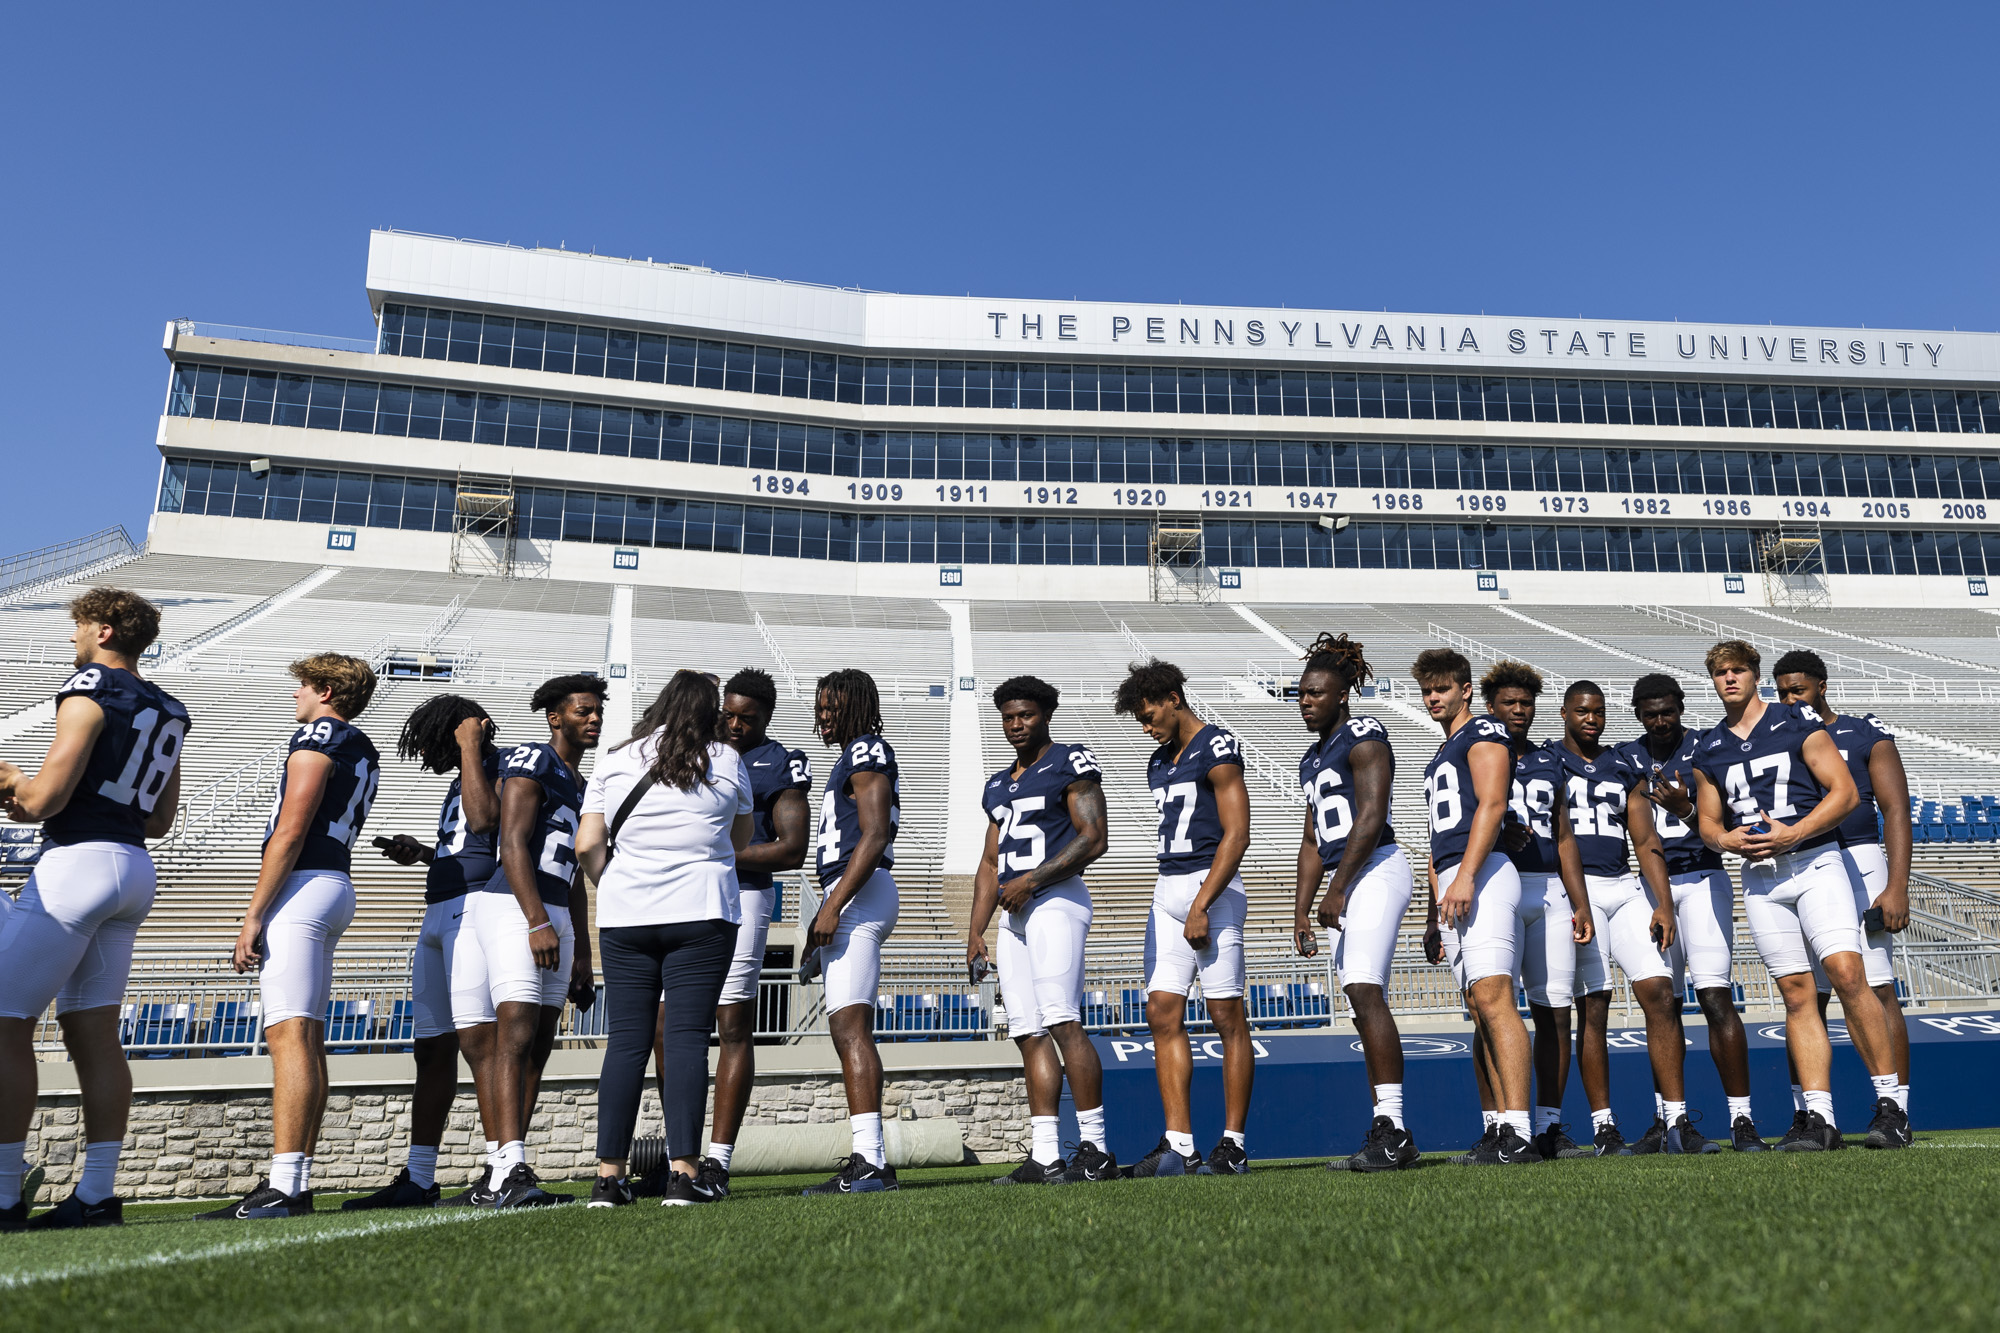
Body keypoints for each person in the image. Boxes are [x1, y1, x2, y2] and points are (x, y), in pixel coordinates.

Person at [0, 589, 187, 1231]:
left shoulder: (89, 686)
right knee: (93, 1033)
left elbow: (44, 799)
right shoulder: (169, 706)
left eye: (79, 625)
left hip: (78, 863)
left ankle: (1, 1194)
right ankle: (99, 1191)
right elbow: (161, 818)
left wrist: (10, 784)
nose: (72, 636)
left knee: (4, 1020)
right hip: (134, 866)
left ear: (104, 629)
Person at [1688, 639, 1909, 1152]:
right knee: (1795, 994)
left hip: (1815, 862)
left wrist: (1796, 831)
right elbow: (1707, 821)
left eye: (1738, 670)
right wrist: (1725, 841)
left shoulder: (1797, 723)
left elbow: (1846, 793)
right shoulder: (1710, 747)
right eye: (1720, 672)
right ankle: (1819, 1117)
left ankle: (1890, 1105)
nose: (1729, 679)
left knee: (1850, 975)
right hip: (1762, 877)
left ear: (1754, 673)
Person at [201, 654, 380, 1220]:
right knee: (305, 1035)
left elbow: (291, 827)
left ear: (325, 690)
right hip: (332, 881)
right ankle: (294, 1178)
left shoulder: (320, 732)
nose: (296, 696)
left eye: (303, 686)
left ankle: (284, 1184)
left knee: (288, 1034)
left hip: (303, 885)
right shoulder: (356, 741)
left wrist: (253, 913)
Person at [576, 670, 750, 1208]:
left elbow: (587, 844)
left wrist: (619, 884)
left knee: (625, 1043)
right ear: (710, 713)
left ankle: (608, 1178)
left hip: (627, 914)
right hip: (702, 910)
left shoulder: (616, 758)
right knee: (687, 1039)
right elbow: (739, 838)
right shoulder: (725, 759)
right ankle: (683, 1174)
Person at [643, 667, 811, 1200]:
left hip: (744, 893)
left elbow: (791, 847)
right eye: (729, 714)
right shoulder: (696, 750)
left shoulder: (776, 762)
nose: (735, 725)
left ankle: (717, 1160)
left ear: (767, 717)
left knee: (732, 1021)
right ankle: (680, 1155)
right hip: (683, 898)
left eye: (748, 717)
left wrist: (716, 856)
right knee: (667, 1024)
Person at [449, 674, 603, 1209]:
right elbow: (510, 841)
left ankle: (502, 1169)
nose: (594, 718)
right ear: (555, 717)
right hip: (514, 908)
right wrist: (537, 919)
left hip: (555, 908)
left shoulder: (582, 783)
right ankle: (508, 1166)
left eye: (597, 711)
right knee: (499, 1038)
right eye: (583, 710)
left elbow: (579, 872)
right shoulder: (532, 759)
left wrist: (583, 947)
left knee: (535, 1045)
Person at [344, 694, 500, 1210]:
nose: (428, 754)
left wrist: (471, 748)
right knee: (432, 1048)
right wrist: (424, 853)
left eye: (437, 740)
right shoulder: (461, 778)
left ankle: (502, 1168)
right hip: (440, 909)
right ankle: (420, 1176)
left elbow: (485, 824)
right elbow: (465, 843)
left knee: (479, 1043)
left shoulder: (496, 766)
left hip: (476, 909)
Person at [968, 675, 1116, 1185]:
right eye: (1009, 717)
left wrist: (1031, 880)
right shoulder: (996, 784)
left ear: (1045, 714)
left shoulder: (1069, 761)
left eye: (1025, 715)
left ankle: (1096, 1149)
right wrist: (975, 933)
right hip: (1014, 914)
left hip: (1055, 900)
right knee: (1026, 1032)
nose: (1016, 725)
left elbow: (1094, 837)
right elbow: (989, 864)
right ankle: (1047, 1153)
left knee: (1061, 1019)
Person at [1547, 681, 1700, 1155]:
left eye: (1598, 712)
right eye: (1581, 711)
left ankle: (1676, 1122)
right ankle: (1603, 1127)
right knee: (1594, 1006)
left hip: (1623, 884)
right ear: (1565, 713)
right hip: (1578, 889)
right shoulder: (1548, 760)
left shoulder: (1621, 764)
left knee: (1660, 991)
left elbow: (1645, 837)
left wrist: (1664, 901)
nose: (1591, 719)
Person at [1115, 658, 1254, 1178]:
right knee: (1162, 1013)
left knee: (1226, 1018)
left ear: (1174, 697)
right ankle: (1179, 1144)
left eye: (1150, 714)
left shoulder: (1216, 745)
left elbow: (1237, 834)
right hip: (1167, 886)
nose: (1146, 726)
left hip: (1210, 886)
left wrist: (1201, 903)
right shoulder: (1159, 760)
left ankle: (1233, 1143)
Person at [1617, 674, 1765, 1152]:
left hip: (1702, 876)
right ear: (1638, 713)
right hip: (1647, 886)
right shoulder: (1628, 755)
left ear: (1681, 707)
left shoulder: (1706, 746)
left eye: (1667, 711)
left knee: (1715, 997)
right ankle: (1671, 1121)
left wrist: (1684, 811)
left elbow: (1724, 821)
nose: (1660, 721)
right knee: (1660, 1003)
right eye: (1650, 713)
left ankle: (1742, 1120)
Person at [1291, 634, 1420, 1172]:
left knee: (1366, 989)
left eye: (1317, 693)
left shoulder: (1363, 733)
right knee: (1357, 999)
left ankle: (1394, 1128)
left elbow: (1370, 814)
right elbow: (1311, 840)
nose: (1306, 701)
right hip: (1347, 874)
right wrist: (1302, 907)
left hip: (1377, 868)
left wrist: (1337, 888)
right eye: (1300, 694)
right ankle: (1385, 1126)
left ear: (1342, 695)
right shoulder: (1310, 758)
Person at [1773, 650, 1914, 1140]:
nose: (1790, 699)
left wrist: (1896, 884)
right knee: (1806, 995)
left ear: (1822, 686)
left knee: (1874, 983)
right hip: (1808, 863)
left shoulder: (1862, 731)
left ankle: (1895, 1109)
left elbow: (1895, 808)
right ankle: (1810, 1113)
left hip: (1858, 857)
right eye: (1783, 691)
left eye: (1799, 689)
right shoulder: (1778, 736)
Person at [1412, 647, 1536, 1165]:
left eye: (1441, 688)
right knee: (1477, 1008)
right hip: (1458, 878)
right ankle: (1497, 1125)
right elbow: (1436, 837)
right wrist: (1435, 904)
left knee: (1494, 998)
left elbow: (1492, 803)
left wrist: (1464, 876)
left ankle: (1520, 1130)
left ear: (1465, 689)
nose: (1432, 697)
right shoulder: (1443, 751)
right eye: (1426, 690)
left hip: (1483, 873)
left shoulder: (1484, 732)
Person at [1481, 663, 1595, 1159]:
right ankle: (1497, 1125)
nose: (1519, 711)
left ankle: (1548, 1125)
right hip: (1493, 885)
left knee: (1554, 1013)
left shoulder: (1550, 762)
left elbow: (1565, 836)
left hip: (1548, 887)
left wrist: (1581, 901)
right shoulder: (1478, 754)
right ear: (1490, 706)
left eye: (1526, 704)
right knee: (1487, 1011)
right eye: (1509, 703)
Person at [800, 669, 904, 1196]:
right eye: (820, 706)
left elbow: (874, 832)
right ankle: (868, 1157)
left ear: (858, 706)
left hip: (860, 892)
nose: (824, 715)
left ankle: (871, 1161)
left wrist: (833, 905)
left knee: (851, 1030)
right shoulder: (851, 754)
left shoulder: (865, 751)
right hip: (854, 892)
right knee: (847, 1028)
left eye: (833, 706)